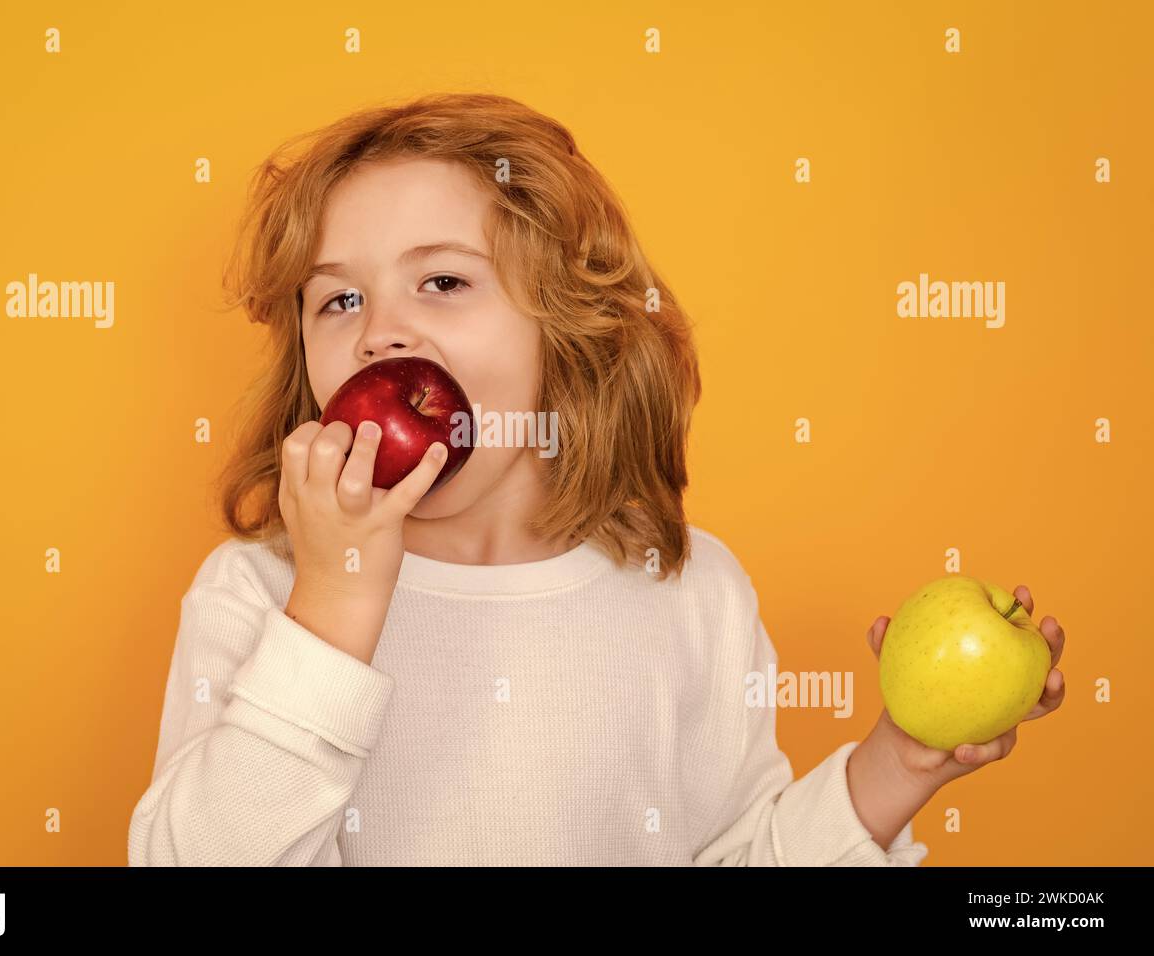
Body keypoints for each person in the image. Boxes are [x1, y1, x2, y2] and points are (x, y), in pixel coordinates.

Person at [127, 92, 1067, 866]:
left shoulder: (688, 594)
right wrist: (331, 608)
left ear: (567, 329)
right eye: (339, 299)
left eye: (444, 282)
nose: (380, 333)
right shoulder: (258, 595)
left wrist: (900, 764)